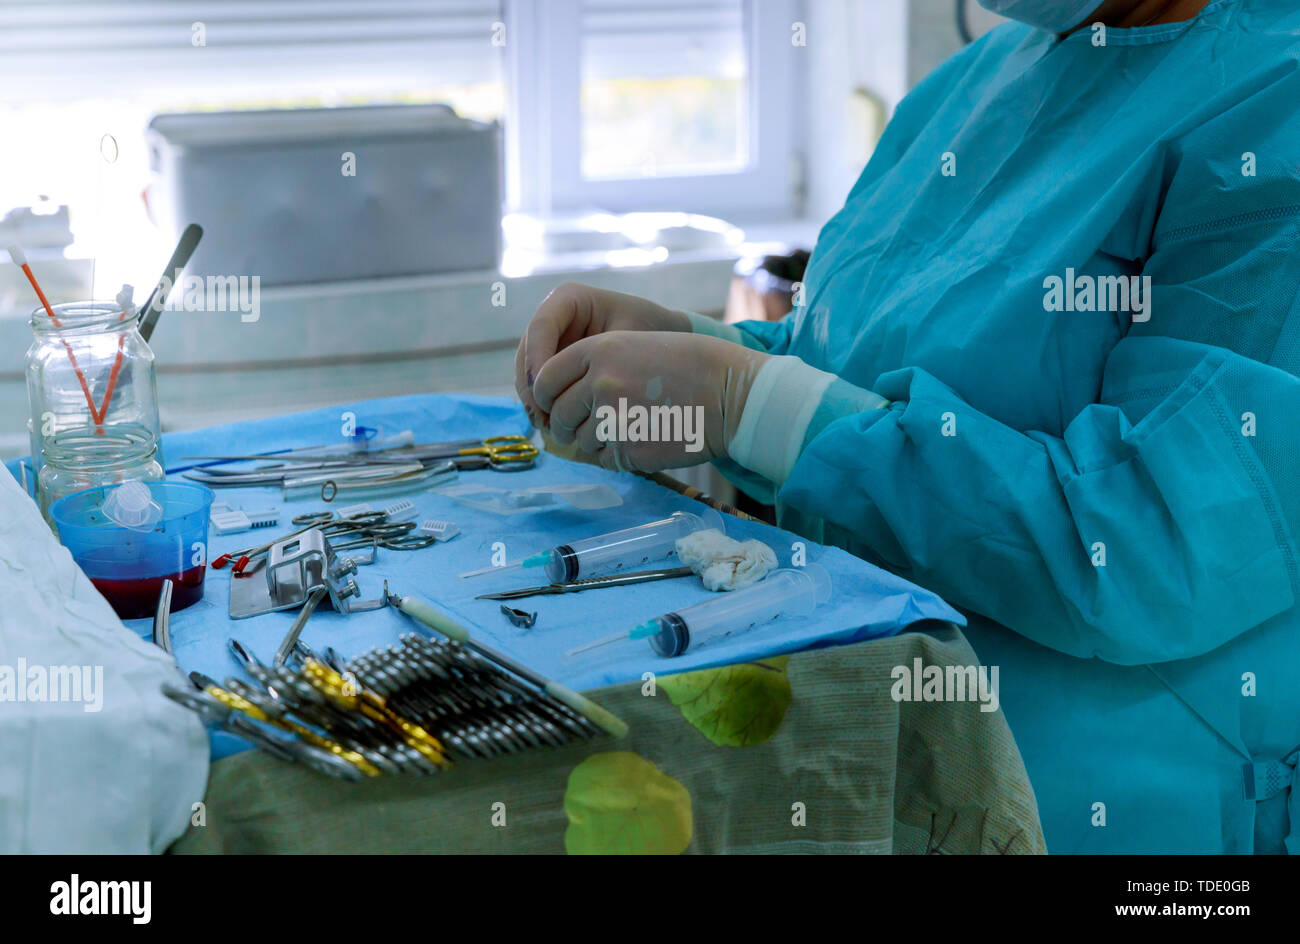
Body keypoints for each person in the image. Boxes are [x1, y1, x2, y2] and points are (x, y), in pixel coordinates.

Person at [515, 0, 1300, 854]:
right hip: (883, 760)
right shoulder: (976, 84)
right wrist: (691, 352)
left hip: (1124, 810)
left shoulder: (1273, 105)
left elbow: (1151, 545)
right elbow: (851, 357)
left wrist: (749, 400)